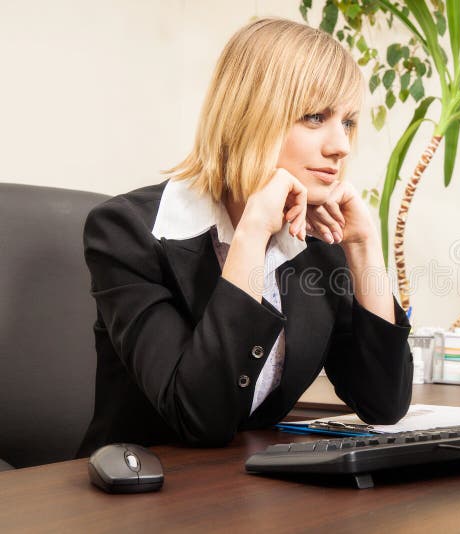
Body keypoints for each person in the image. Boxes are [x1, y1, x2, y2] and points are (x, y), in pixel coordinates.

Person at [77, 18, 412, 456]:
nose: (341, 146)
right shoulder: (127, 232)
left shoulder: (319, 240)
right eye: (315, 117)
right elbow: (201, 417)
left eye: (347, 122)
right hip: (140, 498)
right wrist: (251, 234)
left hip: (249, 491)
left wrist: (364, 250)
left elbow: (383, 403)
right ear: (247, 117)